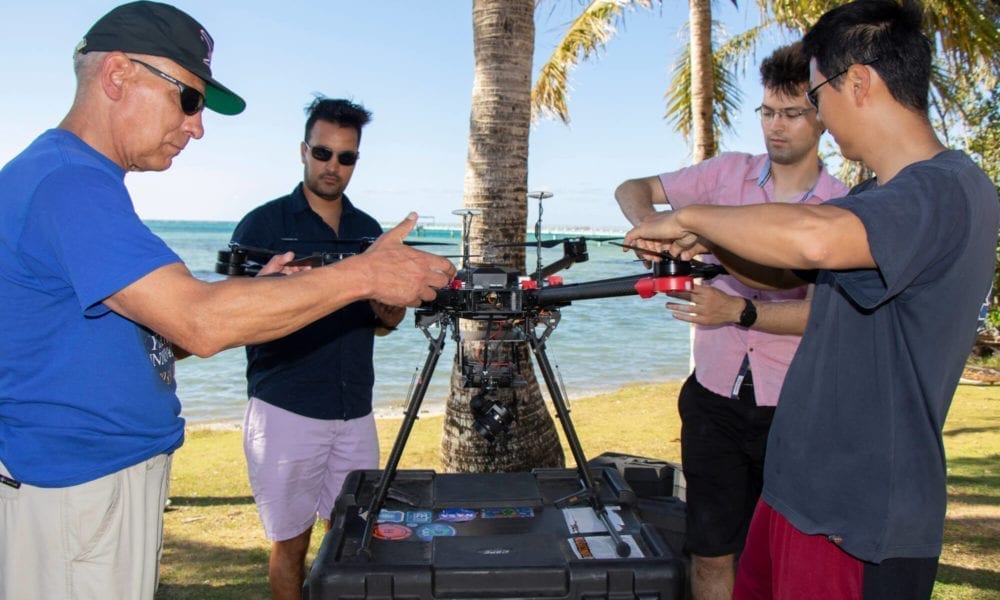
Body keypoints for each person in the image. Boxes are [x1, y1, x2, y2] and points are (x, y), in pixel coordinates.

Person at [0, 3, 455, 600]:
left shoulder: (78, 182)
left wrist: (266, 295)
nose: (197, 126)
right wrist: (362, 275)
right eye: (189, 99)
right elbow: (202, 322)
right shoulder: (70, 185)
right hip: (76, 485)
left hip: (94, 482)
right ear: (117, 74)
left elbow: (167, 335)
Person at [623, 1, 999, 597]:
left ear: (858, 83)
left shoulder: (943, 190)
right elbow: (797, 275)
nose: (816, 111)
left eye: (816, 94)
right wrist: (712, 242)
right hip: (798, 490)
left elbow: (814, 239)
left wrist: (692, 215)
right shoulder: (878, 195)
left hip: (855, 515)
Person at [615, 42, 847, 600]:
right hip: (713, 398)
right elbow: (633, 187)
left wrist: (736, 307)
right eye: (767, 111)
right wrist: (651, 223)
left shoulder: (841, 208)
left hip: (794, 410)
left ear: (823, 118)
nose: (776, 126)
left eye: (792, 113)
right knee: (711, 552)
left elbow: (826, 315)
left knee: (787, 557)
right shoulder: (728, 175)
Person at [229, 97, 402, 600]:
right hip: (287, 409)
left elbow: (385, 323)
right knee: (291, 545)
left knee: (352, 542)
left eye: (346, 157)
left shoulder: (369, 232)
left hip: (355, 412)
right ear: (304, 151)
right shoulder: (262, 227)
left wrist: (386, 297)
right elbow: (236, 319)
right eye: (324, 153)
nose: (333, 167)